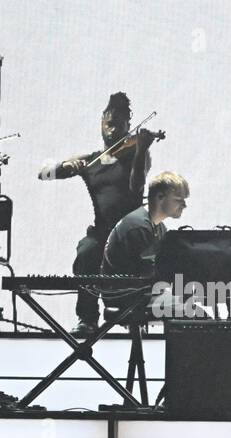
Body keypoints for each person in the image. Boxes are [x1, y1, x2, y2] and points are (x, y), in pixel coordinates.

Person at [38, 92, 157, 336]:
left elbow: (137, 187)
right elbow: (43, 174)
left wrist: (142, 148)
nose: (113, 130)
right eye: (108, 124)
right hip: (103, 231)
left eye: (119, 125)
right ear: (102, 124)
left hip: (129, 234)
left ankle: (130, 312)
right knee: (86, 250)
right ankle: (87, 319)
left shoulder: (137, 155)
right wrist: (64, 167)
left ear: (128, 125)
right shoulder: (91, 161)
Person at [100, 171, 189, 318]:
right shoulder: (138, 226)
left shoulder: (158, 226)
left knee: (189, 301)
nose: (184, 205)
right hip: (127, 296)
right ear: (160, 197)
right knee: (195, 310)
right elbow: (150, 273)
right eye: (179, 199)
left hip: (139, 292)